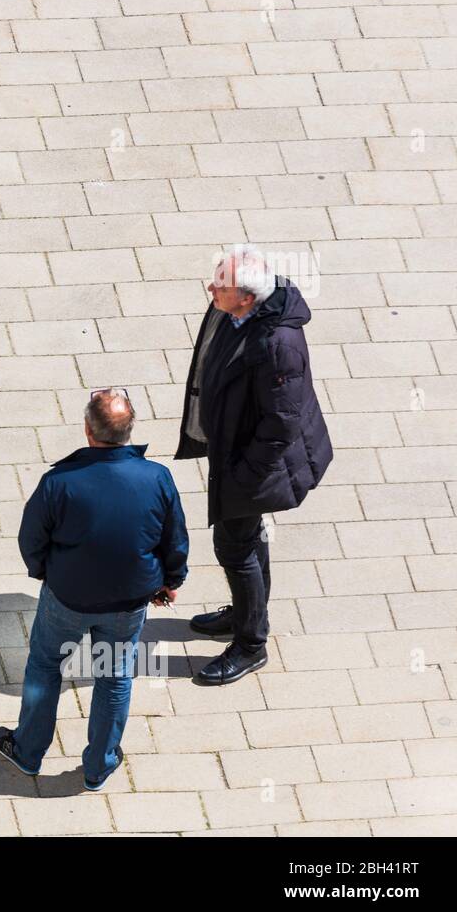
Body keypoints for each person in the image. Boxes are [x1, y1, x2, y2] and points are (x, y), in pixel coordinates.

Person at [0, 390, 188, 791]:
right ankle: (99, 765)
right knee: (114, 677)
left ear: (87, 430)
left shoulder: (59, 482)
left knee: (45, 667)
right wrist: (172, 580)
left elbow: (31, 539)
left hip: (67, 598)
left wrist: (45, 571)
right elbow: (175, 538)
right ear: (130, 432)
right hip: (127, 603)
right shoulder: (157, 477)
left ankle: (27, 752)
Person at [176, 245, 333, 686]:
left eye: (220, 285)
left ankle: (250, 644)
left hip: (255, 465)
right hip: (238, 453)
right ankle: (248, 612)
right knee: (245, 538)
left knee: (235, 547)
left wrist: (244, 476)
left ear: (247, 297)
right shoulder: (237, 312)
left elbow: (281, 424)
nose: (211, 288)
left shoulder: (277, 344)